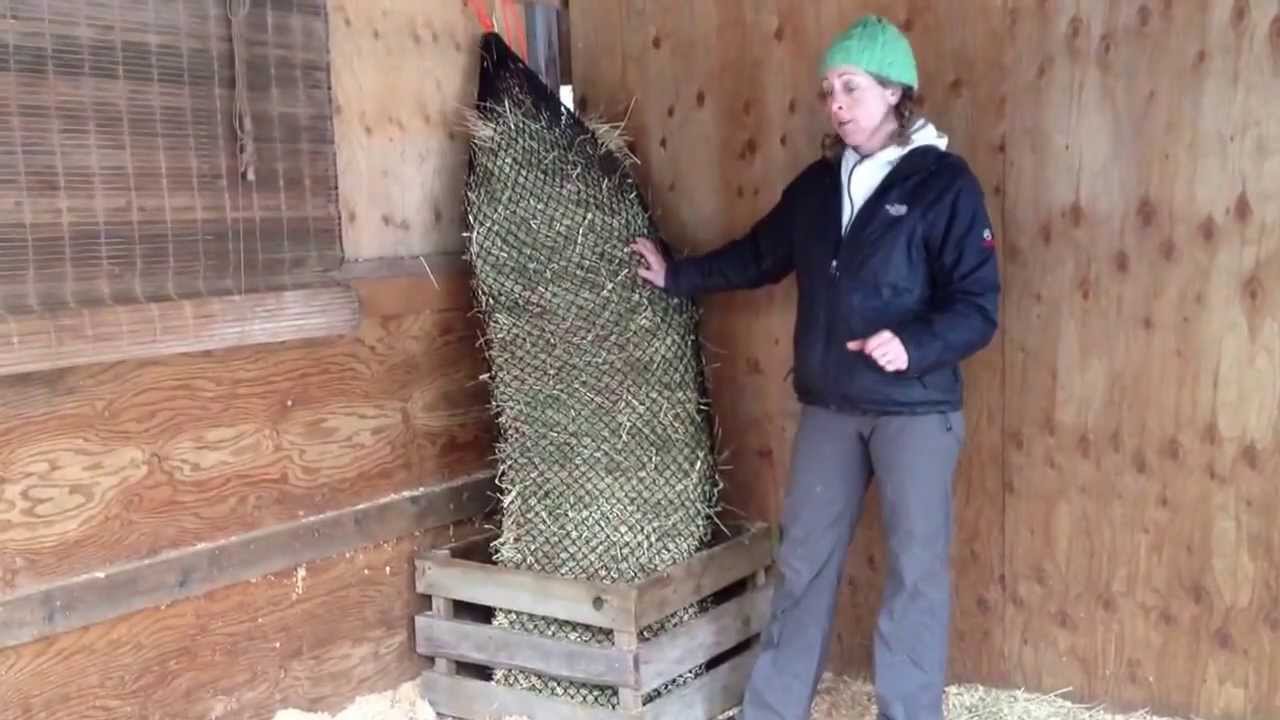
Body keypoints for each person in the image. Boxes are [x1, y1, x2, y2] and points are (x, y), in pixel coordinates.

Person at [630, 15, 1000, 720]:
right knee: (801, 566)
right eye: (829, 89)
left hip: (915, 412)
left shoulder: (945, 185)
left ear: (895, 91)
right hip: (832, 408)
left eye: (851, 87)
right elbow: (759, 254)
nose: (836, 102)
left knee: (917, 576)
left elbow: (977, 306)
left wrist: (913, 345)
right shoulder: (817, 186)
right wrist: (677, 276)